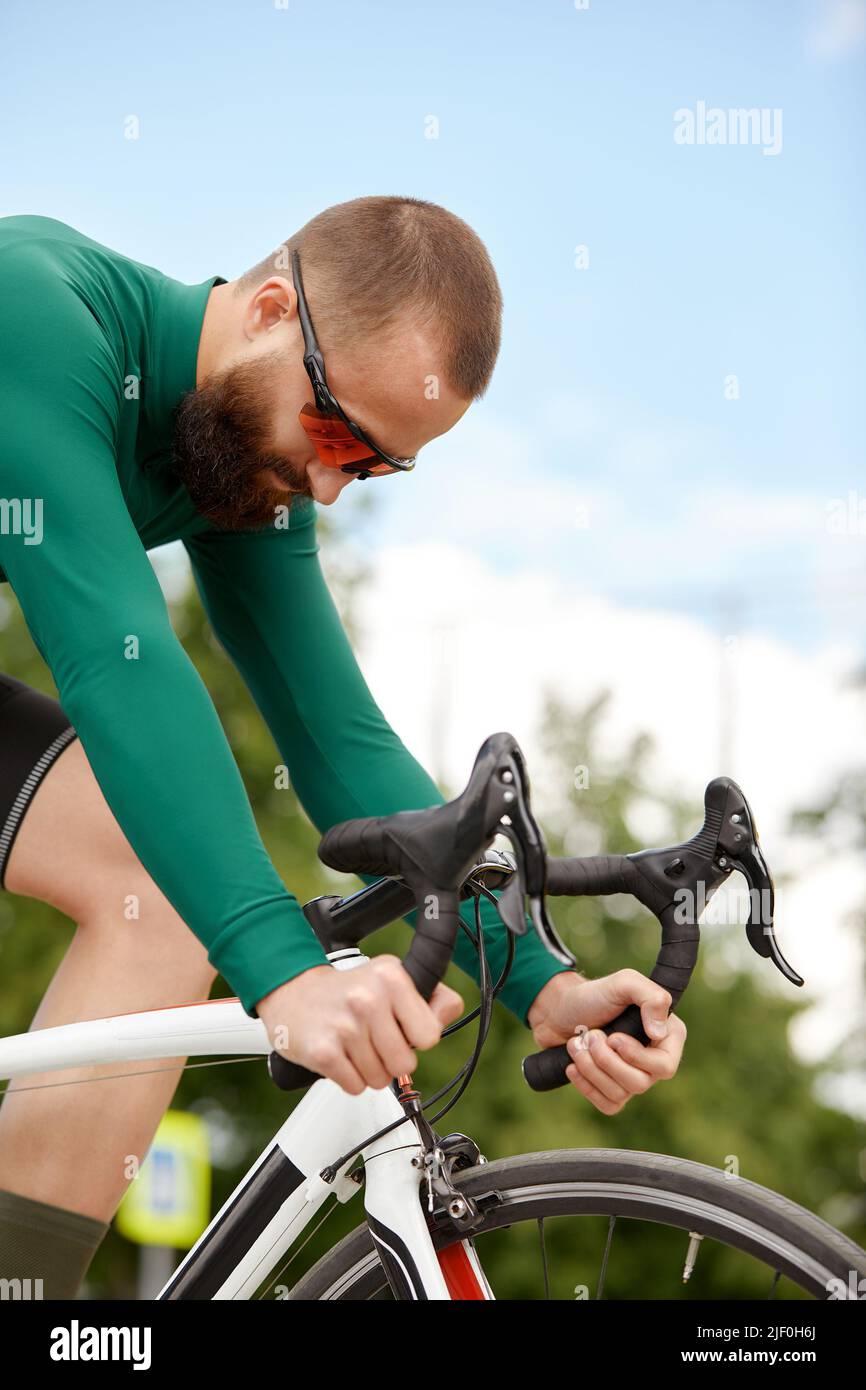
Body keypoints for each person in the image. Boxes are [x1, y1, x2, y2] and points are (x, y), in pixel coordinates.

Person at [0, 197, 685, 1296]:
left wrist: (539, 980)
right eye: (334, 436)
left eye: (372, 469)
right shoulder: (31, 307)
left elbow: (343, 751)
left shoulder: (241, 462)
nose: (325, 484)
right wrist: (283, 974)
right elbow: (122, 663)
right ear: (270, 311)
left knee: (156, 895)